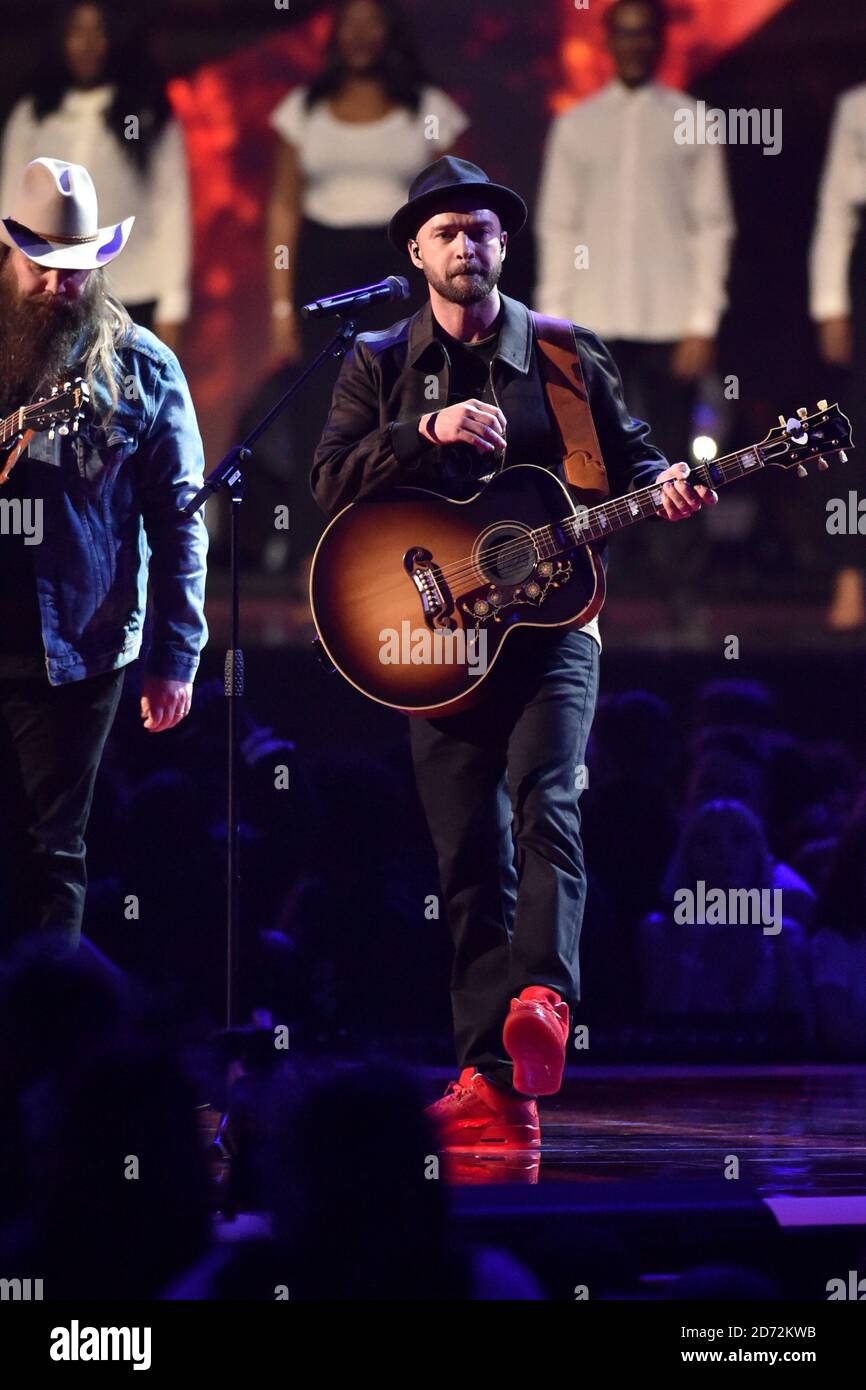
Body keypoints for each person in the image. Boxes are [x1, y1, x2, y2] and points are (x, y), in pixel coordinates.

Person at [311, 154, 717, 1148]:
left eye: (483, 229)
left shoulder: (567, 354)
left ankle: (543, 999)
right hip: (432, 636)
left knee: (547, 799)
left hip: (549, 629)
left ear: (505, 244)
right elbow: (326, 480)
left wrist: (668, 485)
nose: (467, 243)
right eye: (446, 230)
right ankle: (487, 1075)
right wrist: (422, 430)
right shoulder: (375, 360)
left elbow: (631, 458)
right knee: (466, 857)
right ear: (413, 250)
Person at [0, 156, 208, 955]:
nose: (61, 284)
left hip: (76, 653)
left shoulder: (142, 366)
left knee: (52, 856)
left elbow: (181, 519)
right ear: (13, 253)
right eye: (45, 266)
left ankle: (49, 1046)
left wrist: (176, 656)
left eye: (79, 268)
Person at [534, 0, 734, 623]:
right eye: (622, 34)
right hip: (590, 319)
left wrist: (702, 320)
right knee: (586, 455)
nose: (634, 45)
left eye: (645, 34)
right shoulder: (576, 125)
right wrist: (551, 323)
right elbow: (556, 228)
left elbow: (713, 225)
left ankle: (683, 588)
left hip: (668, 314)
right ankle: (589, 582)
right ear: (607, 42)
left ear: (659, 42)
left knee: (674, 454)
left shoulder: (691, 119)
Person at [259, 0, 469, 579]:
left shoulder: (428, 108)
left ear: (391, 31)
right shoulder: (302, 110)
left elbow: (449, 205)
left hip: (398, 270)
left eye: (372, 19)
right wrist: (281, 310)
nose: (360, 33)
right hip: (324, 275)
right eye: (348, 20)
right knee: (321, 417)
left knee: (404, 407)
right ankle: (315, 556)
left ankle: (404, 554)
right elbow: (282, 210)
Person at [0, 1, 192, 351]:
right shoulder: (33, 115)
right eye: (76, 31)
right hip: (54, 291)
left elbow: (171, 206)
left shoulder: (148, 111)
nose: (87, 44)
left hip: (136, 293)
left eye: (98, 31)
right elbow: (9, 207)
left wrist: (173, 300)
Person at [809, 80, 866, 631]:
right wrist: (831, 305)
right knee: (860, 433)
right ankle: (850, 577)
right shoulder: (857, 105)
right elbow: (835, 211)